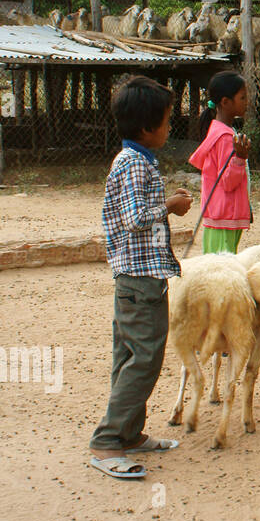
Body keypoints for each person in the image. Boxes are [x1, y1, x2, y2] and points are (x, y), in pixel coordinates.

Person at [89, 76, 193, 480]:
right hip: (139, 277)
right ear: (148, 127)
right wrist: (168, 205)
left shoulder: (137, 159)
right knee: (145, 359)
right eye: (167, 122)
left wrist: (166, 201)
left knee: (130, 356)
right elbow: (135, 218)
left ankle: (129, 433)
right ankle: (107, 441)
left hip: (137, 276)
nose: (170, 128)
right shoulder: (133, 163)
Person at [188, 71, 252, 254]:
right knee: (219, 271)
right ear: (225, 102)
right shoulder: (225, 137)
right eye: (242, 97)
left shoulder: (221, 130)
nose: (247, 101)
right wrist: (240, 158)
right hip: (224, 216)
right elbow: (228, 181)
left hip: (223, 215)